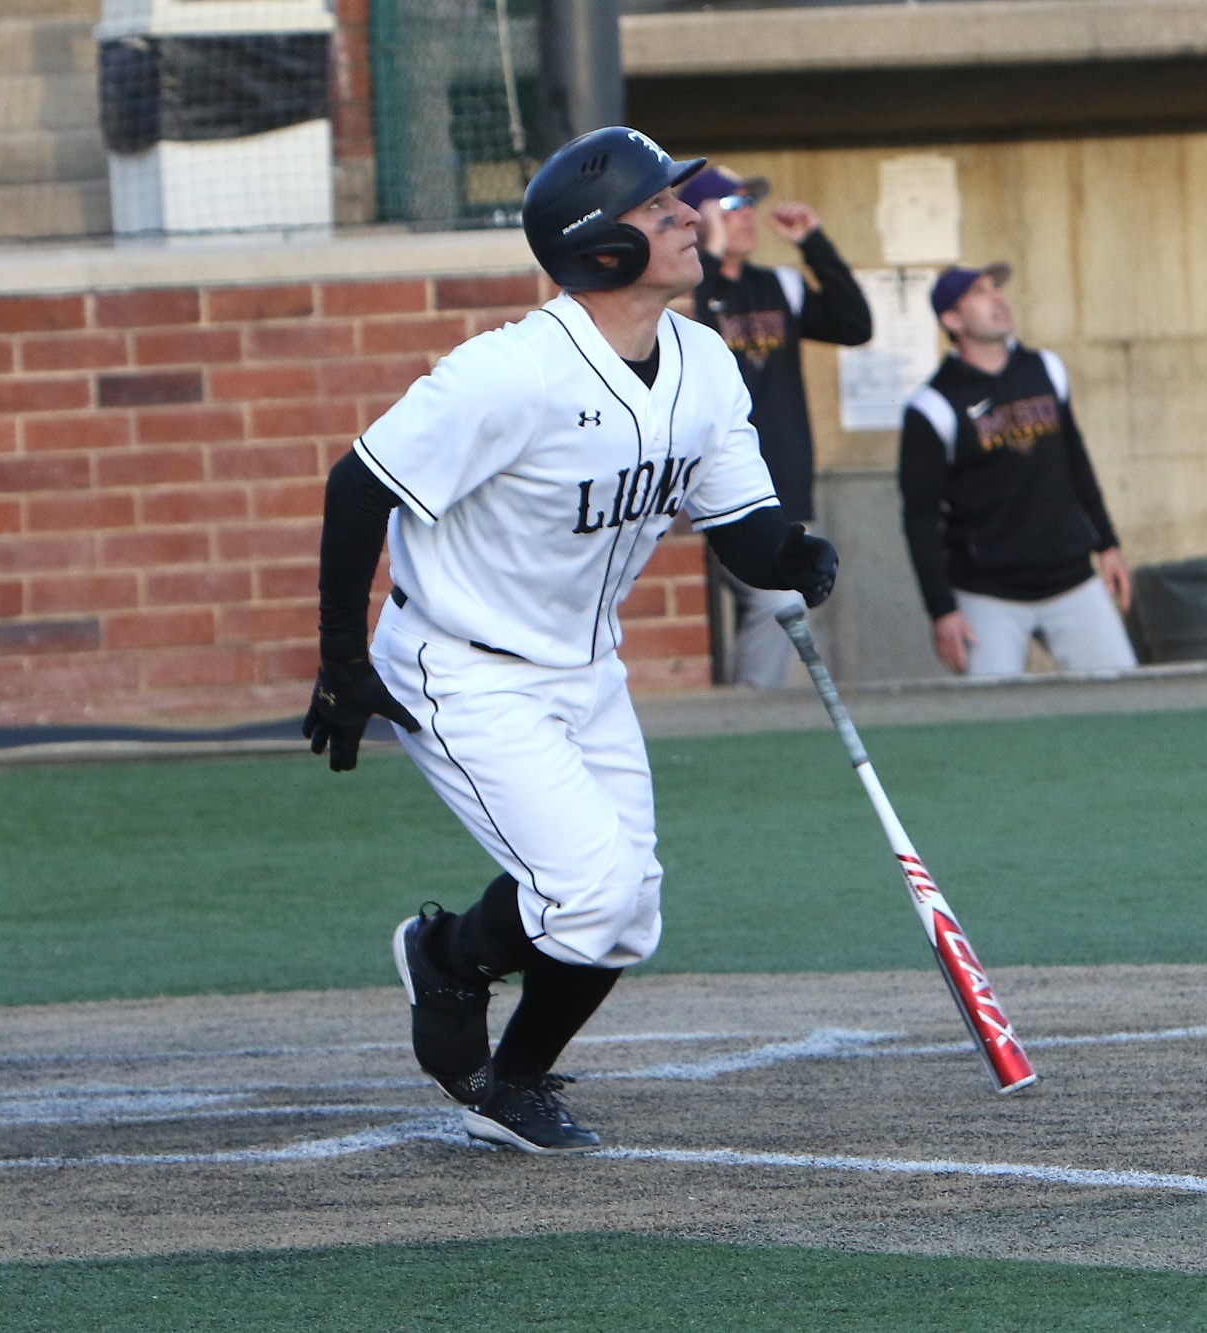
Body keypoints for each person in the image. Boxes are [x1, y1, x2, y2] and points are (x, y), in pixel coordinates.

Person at [300, 126, 838, 1155]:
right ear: (602, 247)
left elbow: (738, 523)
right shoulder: (509, 373)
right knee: (588, 890)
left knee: (626, 911)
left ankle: (480, 1009)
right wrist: (341, 661)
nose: (686, 215)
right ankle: (480, 1024)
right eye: (658, 206)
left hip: (586, 669)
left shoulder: (702, 361)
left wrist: (790, 553)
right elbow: (357, 484)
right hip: (462, 667)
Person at [897, 262, 1136, 677]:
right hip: (987, 594)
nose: (997, 298)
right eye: (980, 293)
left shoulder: (1045, 370)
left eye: (996, 289)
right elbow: (920, 519)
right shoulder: (932, 406)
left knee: (1123, 698)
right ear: (951, 320)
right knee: (988, 725)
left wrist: (1108, 546)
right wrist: (942, 610)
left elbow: (1076, 463)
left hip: (1070, 579)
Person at [681, 166, 871, 687]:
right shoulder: (688, 289)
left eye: (749, 205)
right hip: (709, 485)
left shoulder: (778, 285)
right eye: (733, 206)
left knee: (778, 602)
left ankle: (748, 702)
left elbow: (855, 325)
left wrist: (813, 243)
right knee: (776, 605)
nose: (749, 218)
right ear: (702, 219)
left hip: (781, 481)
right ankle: (749, 708)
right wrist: (710, 257)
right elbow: (684, 326)